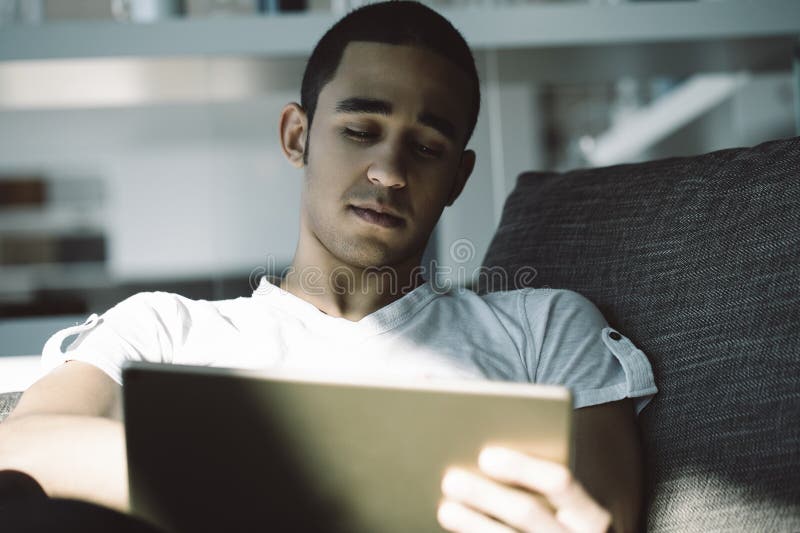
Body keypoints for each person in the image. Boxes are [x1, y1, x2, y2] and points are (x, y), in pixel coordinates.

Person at [0, 2, 657, 532]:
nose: (389, 172)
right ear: (297, 137)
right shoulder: (163, 329)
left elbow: (606, 518)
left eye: (427, 147)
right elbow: (18, 451)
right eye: (360, 131)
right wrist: (266, 475)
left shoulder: (543, 329)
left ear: (458, 178)